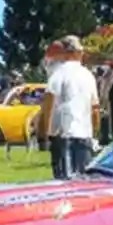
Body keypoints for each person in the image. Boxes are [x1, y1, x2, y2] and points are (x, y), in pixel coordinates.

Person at [39, 35, 99, 179]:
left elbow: (48, 105)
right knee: (83, 182)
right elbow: (95, 108)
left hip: (63, 136)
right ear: (76, 53)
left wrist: (43, 134)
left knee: (64, 183)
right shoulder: (88, 75)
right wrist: (95, 133)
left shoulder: (58, 74)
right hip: (84, 135)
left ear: (65, 53)